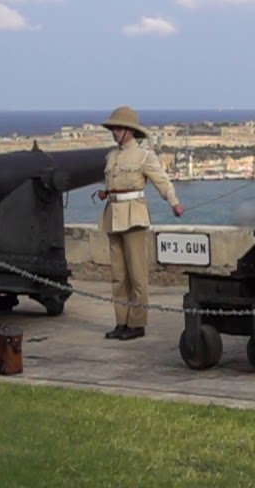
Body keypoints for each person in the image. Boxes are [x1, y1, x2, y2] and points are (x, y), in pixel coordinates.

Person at [98, 105, 184, 341]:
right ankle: (121, 321)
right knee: (118, 276)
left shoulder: (144, 156)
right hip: (113, 216)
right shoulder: (111, 156)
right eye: (112, 128)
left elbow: (162, 181)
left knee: (137, 275)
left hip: (134, 217)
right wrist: (106, 192)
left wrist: (174, 203)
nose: (114, 132)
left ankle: (137, 323)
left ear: (129, 130)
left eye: (118, 128)